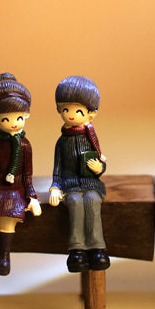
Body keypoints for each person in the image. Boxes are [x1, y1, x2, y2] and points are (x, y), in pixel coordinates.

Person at [0, 73, 42, 275]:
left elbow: (27, 176)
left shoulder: (25, 145)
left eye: (19, 117)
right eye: (6, 119)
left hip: (15, 190)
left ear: (26, 115)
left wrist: (32, 197)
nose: (13, 123)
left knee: (8, 221)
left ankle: (3, 257)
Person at [48, 75, 109, 273]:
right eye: (66, 110)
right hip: (71, 185)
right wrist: (55, 187)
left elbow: (99, 160)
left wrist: (99, 168)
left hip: (91, 184)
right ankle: (77, 250)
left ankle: (97, 248)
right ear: (59, 110)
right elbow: (57, 169)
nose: (71, 115)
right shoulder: (62, 142)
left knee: (92, 200)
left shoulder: (91, 137)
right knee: (75, 202)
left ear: (91, 113)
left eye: (78, 111)